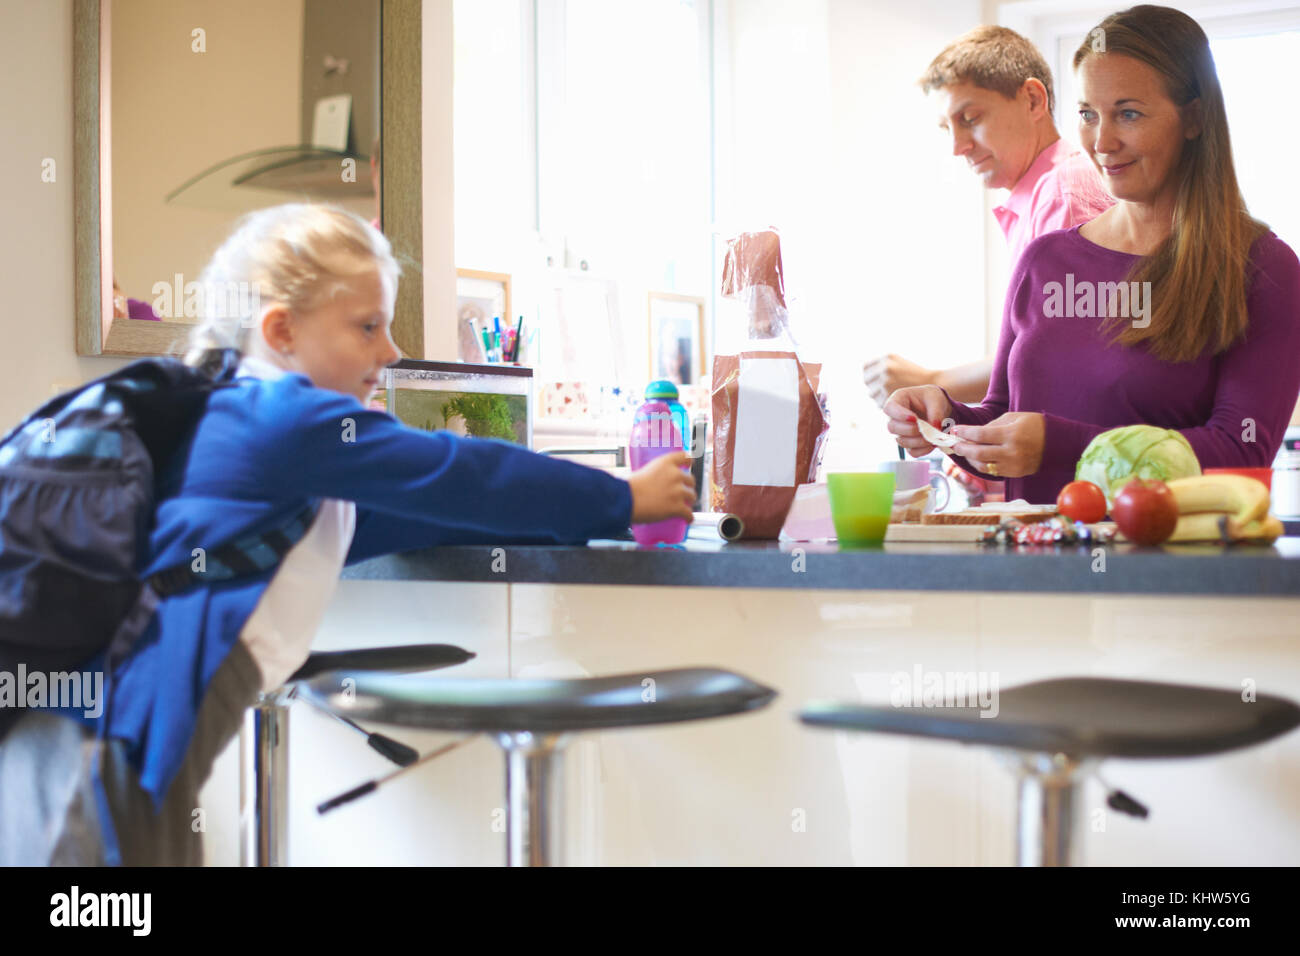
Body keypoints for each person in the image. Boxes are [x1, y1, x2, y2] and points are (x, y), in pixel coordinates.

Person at [0, 203, 695, 865]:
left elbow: (433, 510)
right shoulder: (281, 421)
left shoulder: (273, 440)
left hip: (103, 743)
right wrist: (624, 496)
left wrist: (595, 519)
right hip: (91, 755)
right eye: (367, 327)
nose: (391, 350)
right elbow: (460, 473)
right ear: (281, 332)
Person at [883, 5, 1300, 504]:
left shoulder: (1263, 270)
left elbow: (1240, 451)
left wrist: (1060, 446)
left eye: (1128, 113)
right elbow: (1003, 415)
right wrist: (946, 419)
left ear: (1193, 118)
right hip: (1035, 551)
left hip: (1163, 555)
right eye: (1087, 114)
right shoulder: (1044, 261)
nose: (1101, 142)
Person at [864, 25, 1113, 407]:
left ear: (1033, 100)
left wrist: (934, 382)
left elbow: (1060, 357)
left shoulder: (1063, 194)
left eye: (969, 118)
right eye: (947, 127)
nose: (957, 146)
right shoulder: (1038, 196)